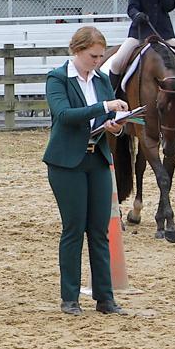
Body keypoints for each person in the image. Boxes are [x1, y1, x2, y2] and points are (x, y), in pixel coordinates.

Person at [43, 26, 130, 316]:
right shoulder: (58, 78)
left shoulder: (102, 79)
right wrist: (104, 105)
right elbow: (65, 116)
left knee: (99, 231)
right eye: (93, 55)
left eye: (101, 56)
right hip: (66, 162)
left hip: (97, 159)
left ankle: (105, 299)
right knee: (73, 229)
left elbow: (105, 118)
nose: (97, 60)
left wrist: (114, 125)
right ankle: (70, 298)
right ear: (77, 51)